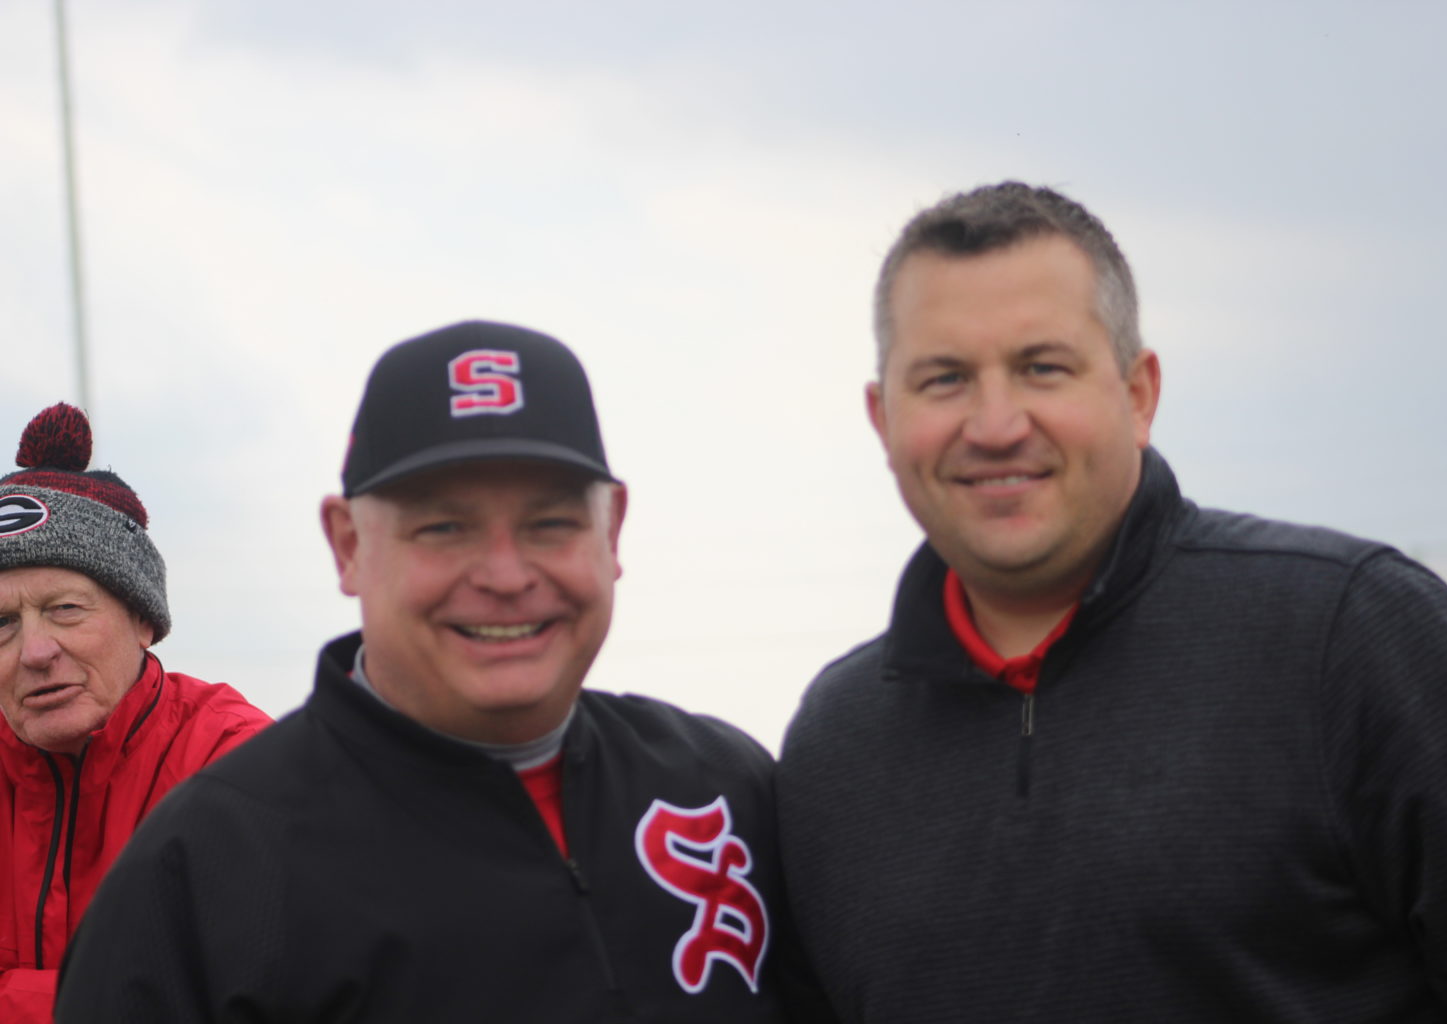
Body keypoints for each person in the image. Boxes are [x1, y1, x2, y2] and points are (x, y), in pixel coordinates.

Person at [776, 181, 1447, 1022]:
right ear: (882, 419)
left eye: (1042, 368)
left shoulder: (1347, 637)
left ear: (1139, 394)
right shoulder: (832, 751)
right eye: (945, 378)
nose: (995, 425)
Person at [56, 320, 830, 1022]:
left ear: (613, 531)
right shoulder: (205, 867)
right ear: (348, 545)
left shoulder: (727, 788)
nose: (505, 574)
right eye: (444, 527)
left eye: (550, 523)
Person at [0, 403, 271, 1022]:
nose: (35, 652)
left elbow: (257, 997)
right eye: (2, 622)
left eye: (66, 609)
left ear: (143, 619)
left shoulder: (235, 766)